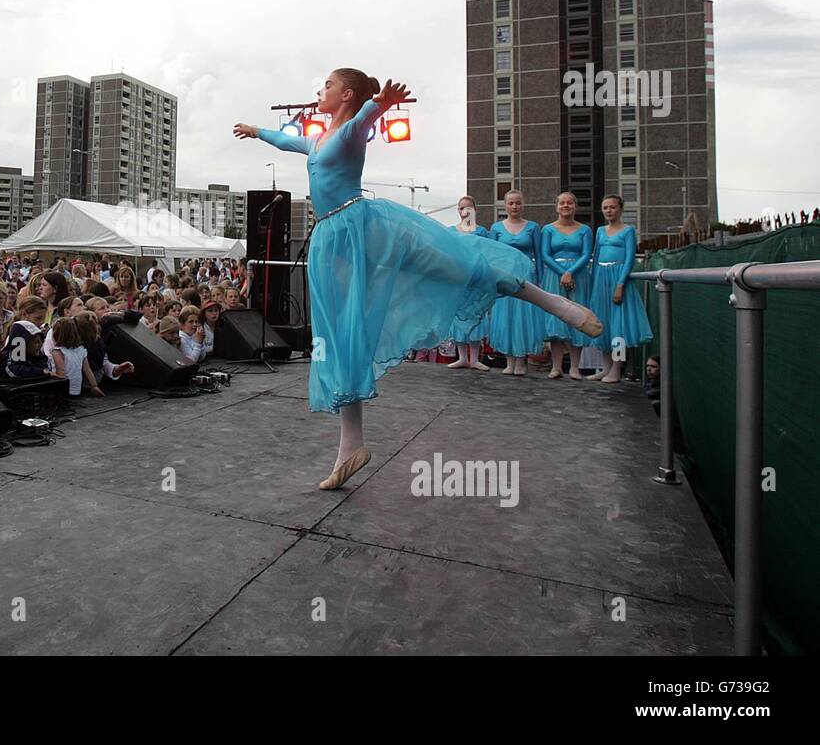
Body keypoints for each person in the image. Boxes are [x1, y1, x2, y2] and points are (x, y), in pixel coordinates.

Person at [235, 69, 599, 490]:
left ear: (346, 94)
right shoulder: (316, 139)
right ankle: (350, 445)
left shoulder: (351, 133)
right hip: (331, 241)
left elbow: (364, 120)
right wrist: (255, 130)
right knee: (342, 335)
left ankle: (554, 303)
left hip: (364, 227)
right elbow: (287, 140)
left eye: (328, 86)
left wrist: (381, 103)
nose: (319, 91)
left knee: (458, 267)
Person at [587, 195, 652, 384]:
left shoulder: (628, 231)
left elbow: (630, 258)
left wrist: (620, 284)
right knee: (603, 325)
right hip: (601, 278)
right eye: (605, 207)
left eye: (612, 207)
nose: (608, 211)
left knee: (619, 328)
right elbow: (596, 255)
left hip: (617, 278)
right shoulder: (600, 231)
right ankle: (605, 368)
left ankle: (617, 369)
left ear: (620, 209)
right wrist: (594, 284)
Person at [486, 189, 545, 377]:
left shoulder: (533, 227)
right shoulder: (496, 228)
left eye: (518, 203)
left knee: (524, 317)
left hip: (526, 275)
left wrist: (540, 280)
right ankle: (509, 360)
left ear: (523, 204)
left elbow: (540, 255)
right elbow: (491, 255)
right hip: (504, 275)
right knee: (506, 317)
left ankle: (522, 361)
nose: (515, 206)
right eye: (511, 203)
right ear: (505, 205)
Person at [538, 192, 595, 380]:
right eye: (562, 203)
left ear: (575, 207)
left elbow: (587, 254)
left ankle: (575, 368)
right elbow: (545, 255)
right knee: (556, 318)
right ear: (556, 207)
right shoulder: (547, 229)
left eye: (570, 203)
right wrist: (562, 272)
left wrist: (570, 272)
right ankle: (556, 367)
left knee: (577, 317)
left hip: (578, 276)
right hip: (554, 276)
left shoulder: (585, 229)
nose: (566, 206)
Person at [444, 197, 492, 372]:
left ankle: (474, 359)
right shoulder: (451, 231)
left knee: (476, 314)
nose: (465, 211)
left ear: (475, 210)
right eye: (461, 208)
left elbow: (488, 254)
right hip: (459, 279)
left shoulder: (482, 232)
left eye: (468, 208)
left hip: (478, 279)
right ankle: (462, 357)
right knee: (458, 315)